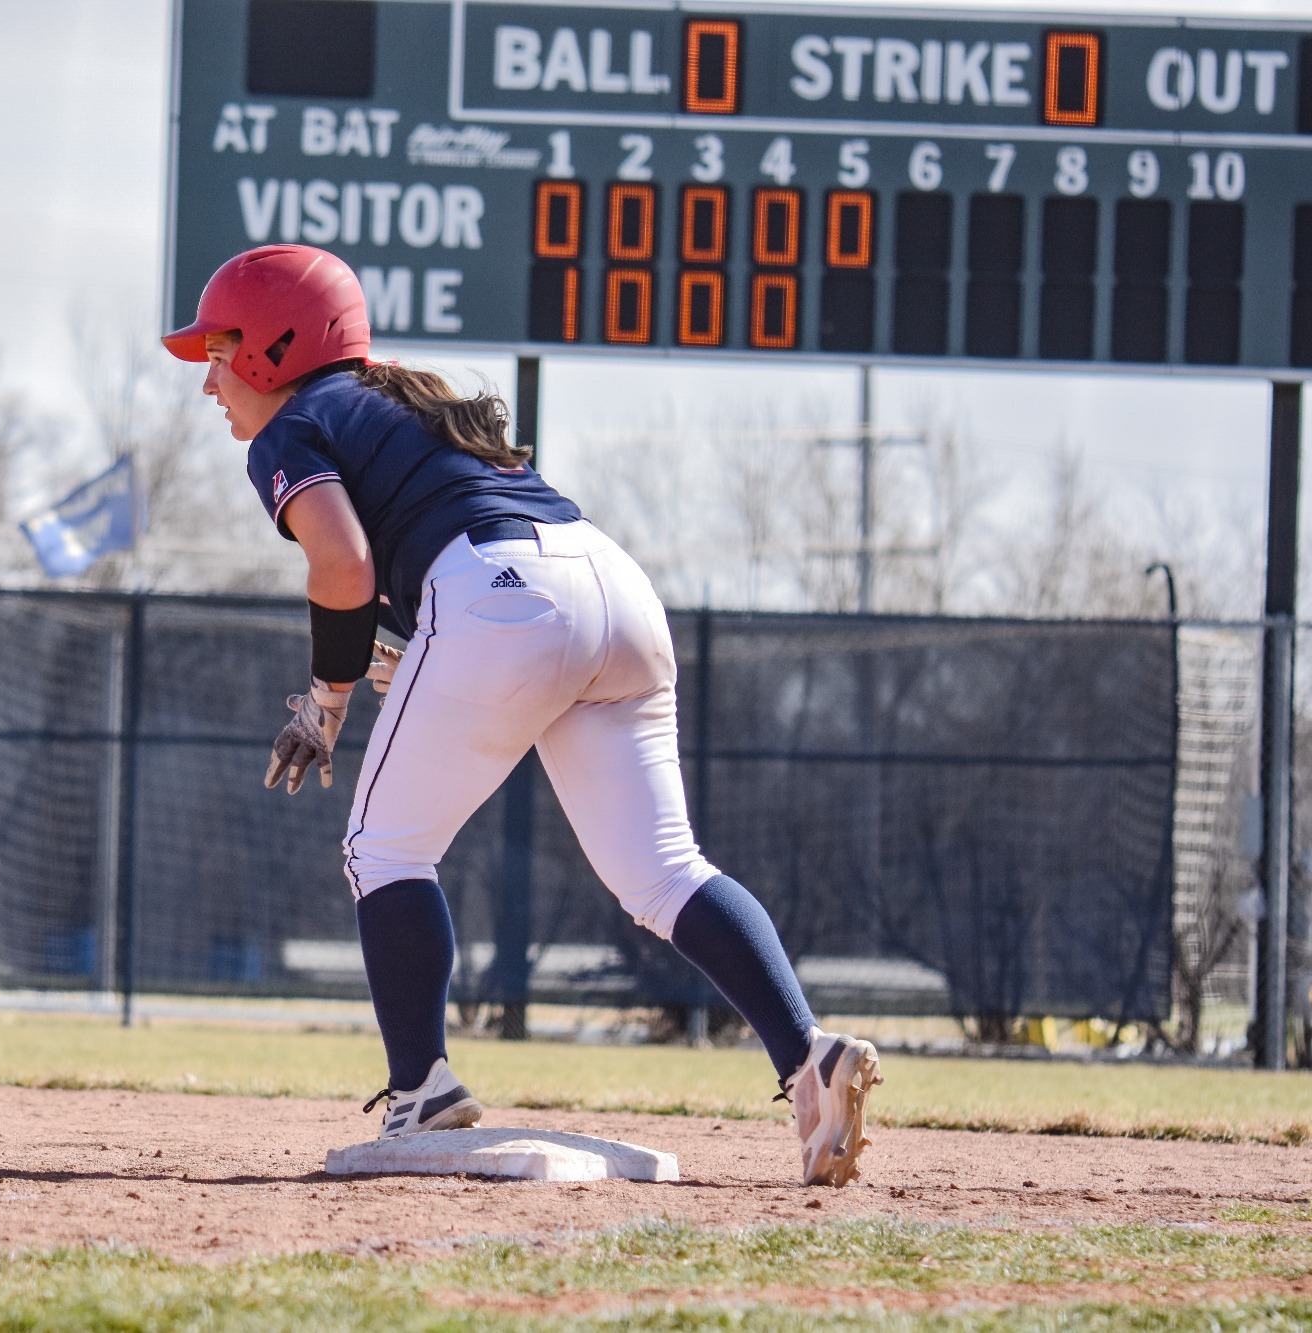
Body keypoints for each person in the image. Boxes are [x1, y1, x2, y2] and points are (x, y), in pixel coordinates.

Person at [162, 243, 882, 1187]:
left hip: (501, 593)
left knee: (382, 847)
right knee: (665, 871)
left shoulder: (293, 427)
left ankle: (420, 1087)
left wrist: (326, 701)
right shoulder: (399, 400)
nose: (210, 380)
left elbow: (342, 566)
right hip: (612, 586)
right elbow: (421, 540)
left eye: (220, 349)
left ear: (272, 348)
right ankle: (808, 1057)